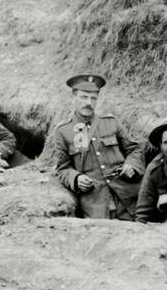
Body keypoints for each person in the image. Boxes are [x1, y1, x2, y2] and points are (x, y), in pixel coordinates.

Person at [46, 73, 146, 220]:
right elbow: (63, 168)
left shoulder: (111, 122)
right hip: (96, 204)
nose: (89, 103)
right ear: (73, 97)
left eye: (93, 98)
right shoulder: (63, 131)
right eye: (84, 97)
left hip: (128, 197)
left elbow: (134, 149)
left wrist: (131, 165)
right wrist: (76, 178)